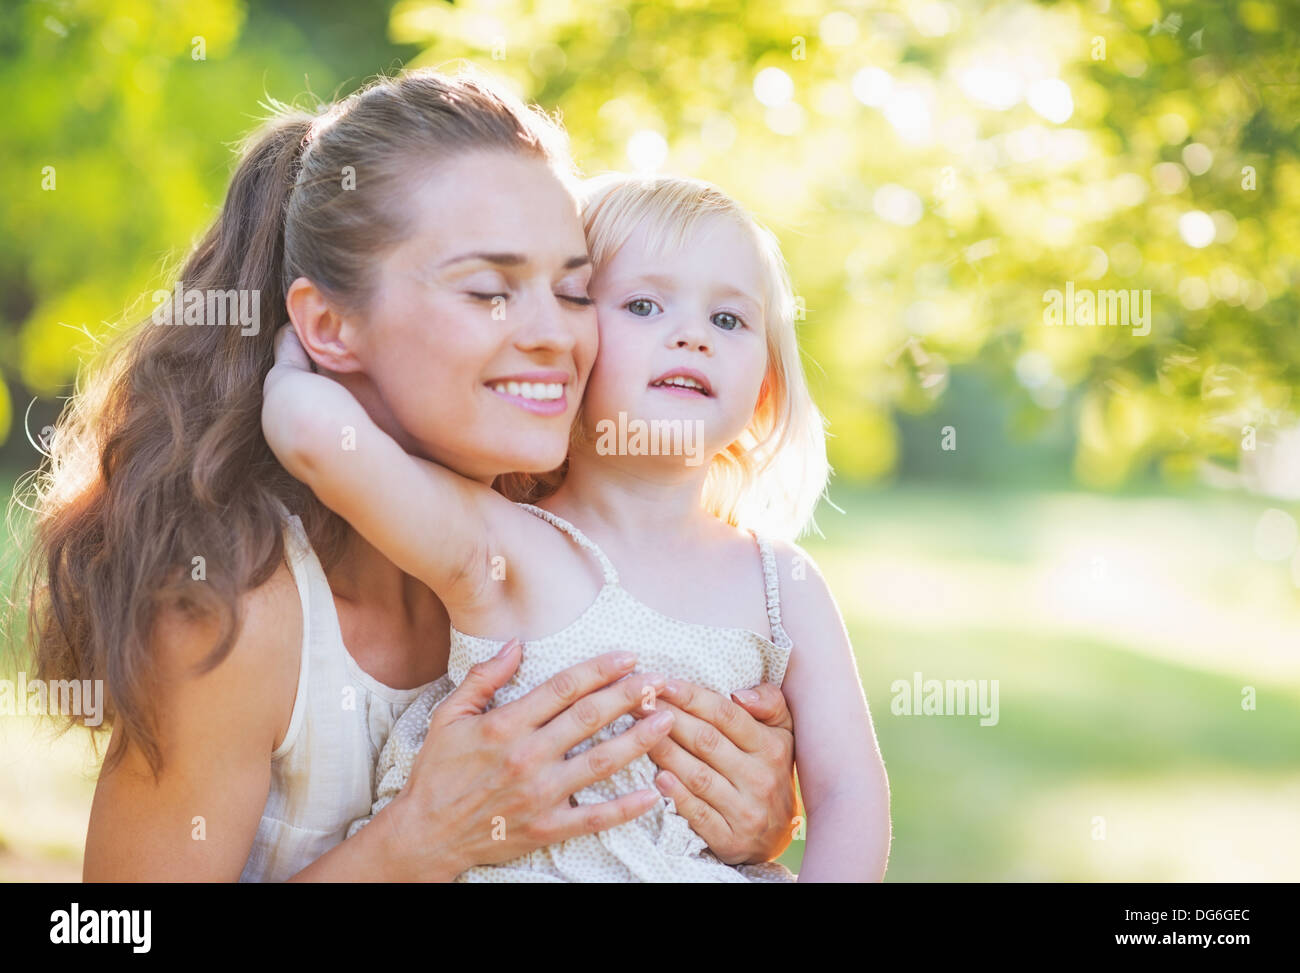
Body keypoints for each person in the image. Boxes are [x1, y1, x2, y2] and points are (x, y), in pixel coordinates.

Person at [18, 68, 801, 882]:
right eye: (490, 290)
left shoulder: (571, 538)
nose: (551, 334)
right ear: (329, 325)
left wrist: (757, 815)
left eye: (573, 291)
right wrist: (416, 841)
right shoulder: (245, 617)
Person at [261, 173, 891, 881]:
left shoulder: (784, 584)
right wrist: (291, 366)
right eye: (645, 305)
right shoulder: (506, 545)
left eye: (729, 320)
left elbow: (849, 794)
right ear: (568, 350)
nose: (692, 336)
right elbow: (316, 437)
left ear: (766, 385)